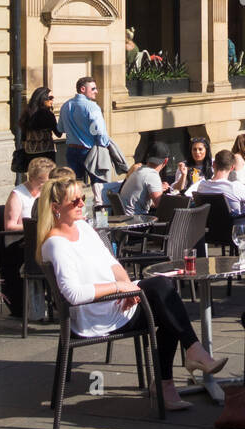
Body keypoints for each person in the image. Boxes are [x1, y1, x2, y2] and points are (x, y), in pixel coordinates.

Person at [38, 175, 226, 411]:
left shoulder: (84, 228)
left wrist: (129, 289)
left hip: (116, 303)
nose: (81, 204)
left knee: (166, 301)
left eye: (82, 198)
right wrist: (121, 288)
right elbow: (74, 294)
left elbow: (113, 264)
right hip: (97, 317)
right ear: (56, 208)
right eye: (74, 201)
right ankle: (183, 363)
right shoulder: (56, 244)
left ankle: (180, 367)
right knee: (164, 296)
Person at [0, 156, 56, 318]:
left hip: (39, 242)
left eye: (47, 181)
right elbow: (9, 226)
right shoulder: (18, 194)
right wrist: (34, 226)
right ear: (31, 178)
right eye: (41, 181)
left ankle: (62, 299)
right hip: (18, 244)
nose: (45, 185)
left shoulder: (46, 195)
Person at [194, 149, 245, 232]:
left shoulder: (202, 186)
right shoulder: (235, 187)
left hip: (213, 230)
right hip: (239, 230)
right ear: (232, 168)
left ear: (213, 164)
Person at [58, 77, 116, 192]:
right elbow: (100, 131)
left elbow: (60, 128)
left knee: (73, 188)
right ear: (83, 89)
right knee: (100, 187)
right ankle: (101, 210)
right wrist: (104, 144)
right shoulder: (92, 107)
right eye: (93, 88)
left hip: (71, 150)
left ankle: (77, 208)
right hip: (90, 151)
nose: (96, 91)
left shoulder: (66, 105)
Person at [118, 142, 176, 216]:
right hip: (136, 221)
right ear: (166, 161)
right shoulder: (152, 175)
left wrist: (158, 189)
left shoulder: (139, 170)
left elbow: (149, 203)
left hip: (126, 219)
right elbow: (161, 205)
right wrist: (177, 201)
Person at [19, 87, 62, 166]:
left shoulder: (26, 114)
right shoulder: (48, 115)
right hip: (46, 152)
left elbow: (23, 136)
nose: (52, 100)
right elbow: (58, 134)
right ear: (42, 99)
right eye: (50, 98)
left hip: (30, 152)